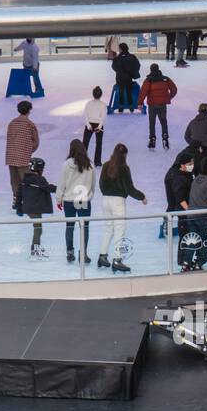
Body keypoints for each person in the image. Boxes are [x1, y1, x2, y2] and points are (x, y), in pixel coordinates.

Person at [97, 143, 146, 273]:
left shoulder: (106, 165)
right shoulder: (124, 168)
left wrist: (106, 193)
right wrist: (142, 197)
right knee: (119, 230)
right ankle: (117, 260)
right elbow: (129, 188)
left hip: (105, 200)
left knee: (109, 229)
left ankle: (102, 256)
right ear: (125, 155)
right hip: (117, 201)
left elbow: (101, 183)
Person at [56, 139, 94, 264]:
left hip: (69, 200)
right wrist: (90, 195)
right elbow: (93, 184)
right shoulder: (89, 164)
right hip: (83, 199)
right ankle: (83, 253)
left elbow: (62, 183)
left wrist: (59, 199)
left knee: (70, 226)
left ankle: (70, 252)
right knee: (85, 227)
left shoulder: (67, 164)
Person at [17, 156, 57, 259]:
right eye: (42, 168)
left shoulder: (25, 179)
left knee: (38, 227)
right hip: (34, 208)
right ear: (38, 169)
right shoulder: (39, 179)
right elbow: (49, 188)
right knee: (38, 228)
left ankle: (36, 247)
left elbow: (19, 193)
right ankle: (35, 250)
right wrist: (61, 188)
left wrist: (18, 207)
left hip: (29, 208)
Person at [5, 100, 40, 215]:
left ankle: (16, 201)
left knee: (14, 181)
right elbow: (36, 142)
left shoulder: (12, 123)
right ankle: (26, 203)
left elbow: (9, 139)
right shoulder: (30, 124)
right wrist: (29, 151)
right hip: (23, 158)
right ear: (29, 110)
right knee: (26, 181)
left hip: (11, 157)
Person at [163, 151, 196, 269]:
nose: (191, 165)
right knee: (185, 236)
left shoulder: (187, 175)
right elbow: (180, 197)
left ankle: (186, 260)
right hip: (183, 212)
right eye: (189, 163)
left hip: (187, 211)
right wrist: (189, 210)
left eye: (192, 163)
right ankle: (183, 261)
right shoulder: (178, 178)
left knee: (188, 235)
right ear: (182, 165)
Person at [137, 63, 178, 150]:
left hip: (152, 105)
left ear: (151, 70)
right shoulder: (165, 79)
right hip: (162, 105)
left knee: (152, 122)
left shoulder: (148, 80)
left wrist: (140, 103)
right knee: (163, 121)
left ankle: (152, 139)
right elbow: (174, 89)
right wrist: (168, 97)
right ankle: (165, 137)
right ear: (158, 69)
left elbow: (143, 92)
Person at [110, 43, 141, 112]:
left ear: (121, 49)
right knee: (129, 91)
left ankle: (121, 107)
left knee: (120, 91)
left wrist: (120, 72)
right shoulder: (132, 57)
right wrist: (133, 73)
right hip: (129, 78)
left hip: (120, 78)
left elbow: (114, 67)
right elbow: (137, 65)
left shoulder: (117, 58)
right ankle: (131, 106)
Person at [82, 86, 106, 165]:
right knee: (99, 143)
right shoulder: (103, 105)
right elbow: (102, 117)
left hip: (89, 124)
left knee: (85, 143)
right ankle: (97, 161)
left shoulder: (88, 103)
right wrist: (99, 127)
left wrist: (88, 125)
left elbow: (85, 115)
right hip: (98, 124)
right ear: (101, 95)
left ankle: (82, 160)